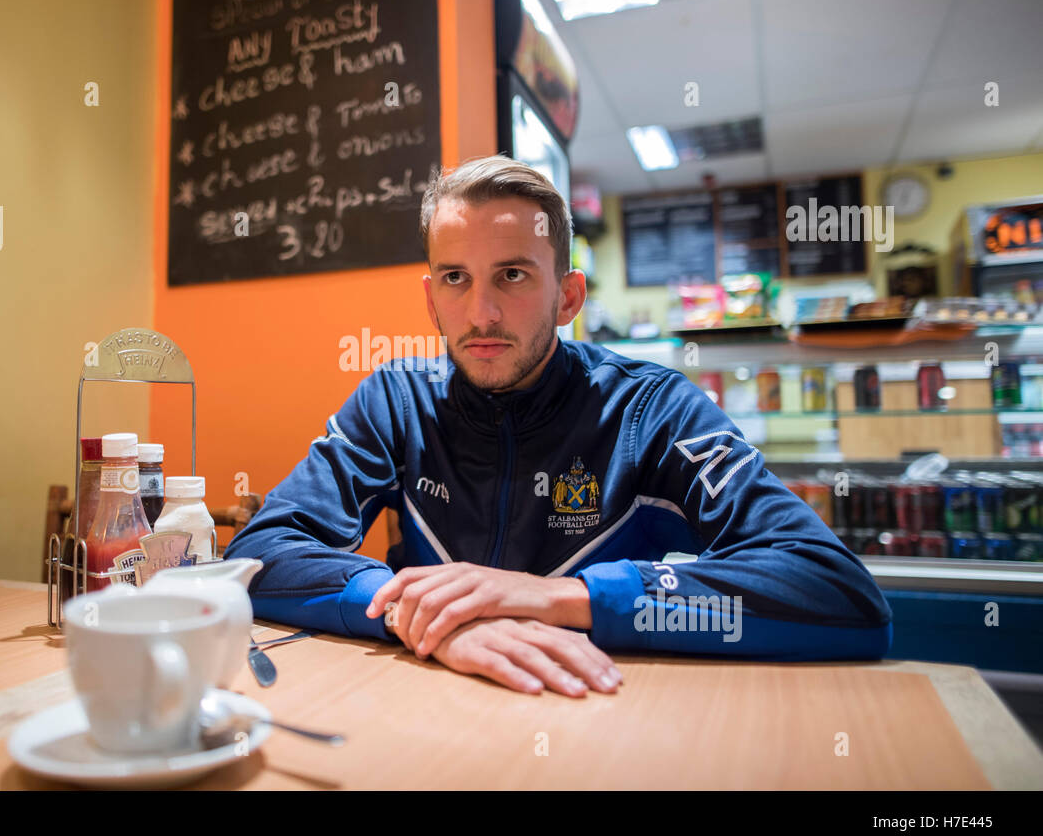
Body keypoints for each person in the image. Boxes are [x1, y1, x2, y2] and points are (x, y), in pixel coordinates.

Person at [224, 156, 892, 697]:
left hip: (598, 704)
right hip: (431, 699)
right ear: (431, 300)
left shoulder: (651, 410)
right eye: (455, 278)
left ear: (567, 295)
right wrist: (415, 614)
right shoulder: (394, 402)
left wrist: (565, 598)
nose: (480, 312)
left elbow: (835, 592)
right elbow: (258, 555)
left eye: (511, 275)